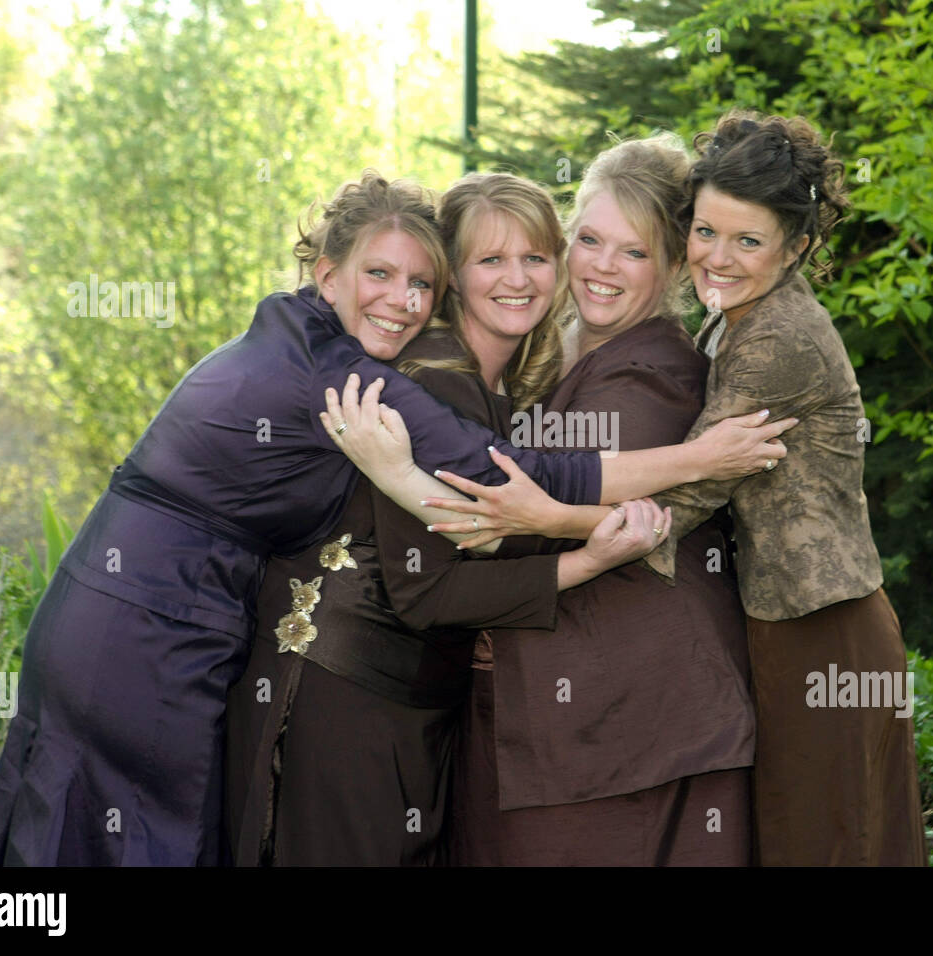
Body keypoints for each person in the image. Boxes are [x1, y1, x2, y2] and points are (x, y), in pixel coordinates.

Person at [0, 171, 785, 867]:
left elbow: (466, 512)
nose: (402, 300)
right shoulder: (379, 379)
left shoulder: (341, 348)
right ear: (327, 276)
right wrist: (699, 462)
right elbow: (498, 507)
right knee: (123, 838)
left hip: (175, 618)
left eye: (417, 282)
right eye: (382, 276)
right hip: (151, 627)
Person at [416, 112, 928, 866]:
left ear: (796, 247)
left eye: (747, 241)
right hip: (773, 625)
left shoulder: (733, 350)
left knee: (829, 839)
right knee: (810, 834)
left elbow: (671, 509)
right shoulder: (715, 325)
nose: (718, 258)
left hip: (820, 630)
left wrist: (538, 512)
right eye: (588, 240)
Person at [330, 136, 757, 865]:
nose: (599, 267)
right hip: (571, 725)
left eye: (634, 252)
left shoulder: (651, 372)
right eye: (588, 240)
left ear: (676, 265)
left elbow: (519, 511)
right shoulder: (548, 349)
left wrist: (403, 477)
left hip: (625, 727)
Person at [225, 172, 670, 865]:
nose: (516, 278)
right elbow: (427, 591)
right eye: (490, 260)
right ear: (452, 278)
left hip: (408, 703)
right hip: (343, 698)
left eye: (535, 258)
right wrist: (586, 561)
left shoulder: (495, 387)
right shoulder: (433, 381)